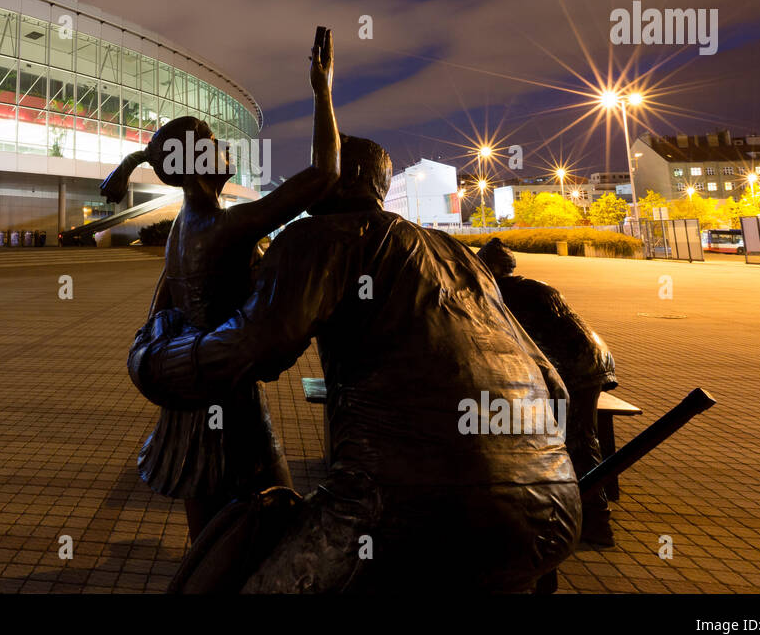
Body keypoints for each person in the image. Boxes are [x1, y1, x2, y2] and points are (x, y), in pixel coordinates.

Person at [128, 135, 581, 593]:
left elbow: (252, 350)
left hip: (400, 508)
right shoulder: (460, 256)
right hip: (551, 509)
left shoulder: (321, 237)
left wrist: (150, 357)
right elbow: (555, 387)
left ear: (331, 177)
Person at [101, 27, 340, 541]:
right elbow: (325, 174)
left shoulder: (182, 231)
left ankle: (203, 572)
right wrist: (323, 93)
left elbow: (162, 305)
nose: (224, 149)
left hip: (193, 390)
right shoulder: (222, 227)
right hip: (227, 395)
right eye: (213, 144)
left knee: (204, 509)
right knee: (273, 507)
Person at [476, 237, 618, 546]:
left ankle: (597, 520)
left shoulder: (504, 294)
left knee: (579, 439)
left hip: (576, 368)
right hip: (593, 360)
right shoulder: (535, 286)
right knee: (578, 434)